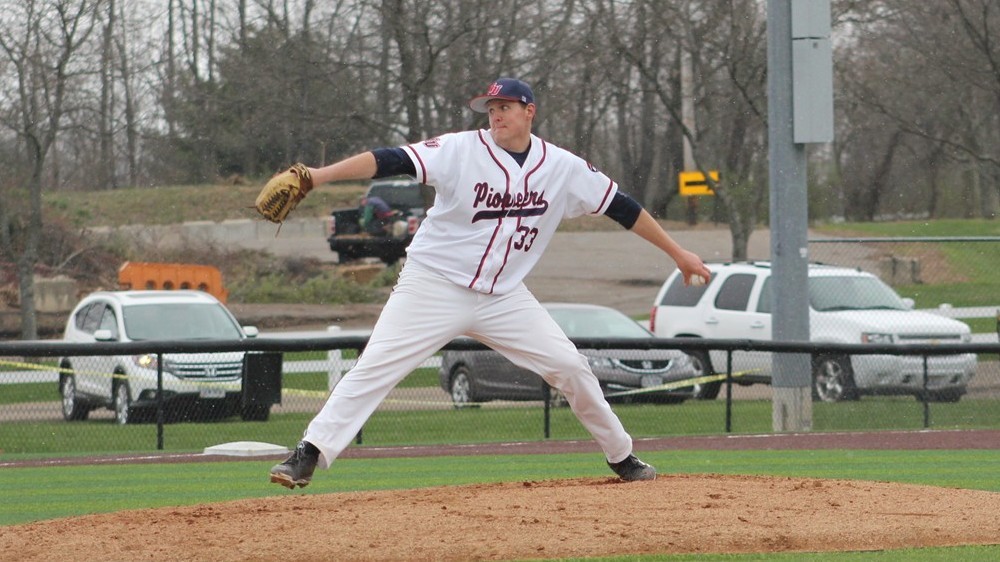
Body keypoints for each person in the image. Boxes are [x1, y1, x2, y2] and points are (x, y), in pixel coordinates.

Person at [269, 77, 711, 489]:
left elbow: (622, 206)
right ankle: (308, 453)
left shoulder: (561, 166)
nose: (496, 115)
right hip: (434, 284)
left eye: (505, 107)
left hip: (504, 297)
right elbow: (392, 159)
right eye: (491, 108)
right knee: (377, 365)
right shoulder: (460, 149)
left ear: (529, 112)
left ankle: (623, 456)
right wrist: (320, 176)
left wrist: (678, 252)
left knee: (571, 367)